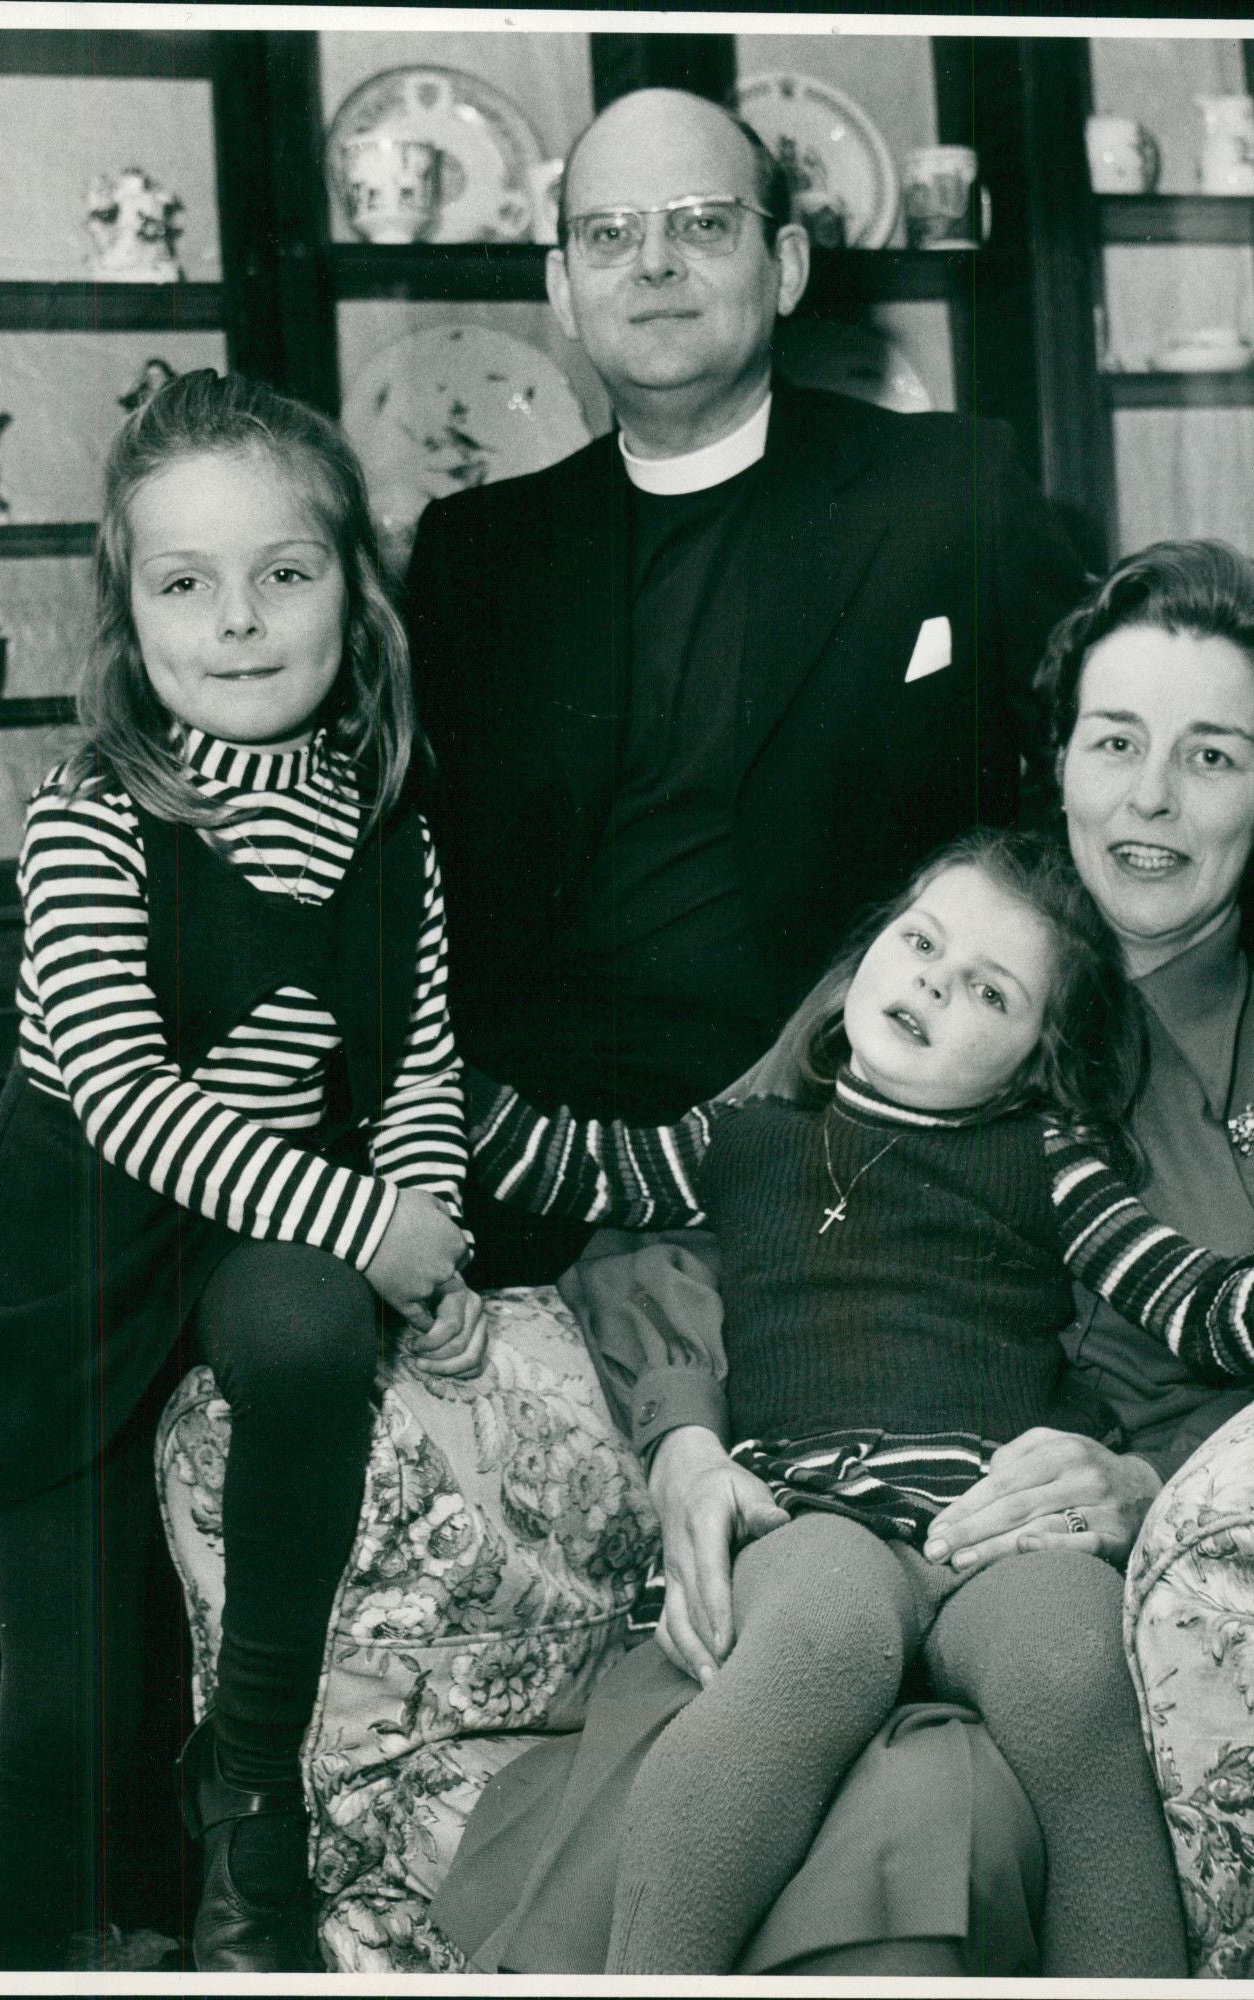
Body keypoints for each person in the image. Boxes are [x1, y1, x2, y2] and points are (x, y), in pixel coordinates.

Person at [432, 539, 1254, 1976]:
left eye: (1210, 756)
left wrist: (1142, 1490)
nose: (1148, 797)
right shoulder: (902, 983)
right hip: (820, 1577)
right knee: (851, 1766)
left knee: (985, 1786)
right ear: (1054, 758)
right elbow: (674, 1211)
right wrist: (683, 1444)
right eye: (1112, 741)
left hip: (1061, 1628)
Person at [0, 370, 489, 1973]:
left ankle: (249, 1772)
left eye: (284, 573)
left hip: (250, 1229)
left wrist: (429, 1233)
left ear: (352, 592)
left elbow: (416, 1068)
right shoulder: (90, 817)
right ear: (129, 616)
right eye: (186, 583)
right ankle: (19, 1958)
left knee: (310, 1332)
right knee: (69, 1692)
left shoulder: (389, 825)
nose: (238, 621)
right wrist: (369, 1225)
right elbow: (122, 1100)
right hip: (73, 1257)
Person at [403, 85, 1088, 1287]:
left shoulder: (947, 490)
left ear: (784, 263)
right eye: (608, 235)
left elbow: (1105, 770)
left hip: (852, 1131)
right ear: (561, 289)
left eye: (701, 224)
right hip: (529, 1158)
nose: (652, 264)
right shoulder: (476, 552)